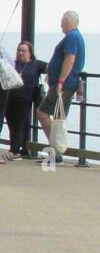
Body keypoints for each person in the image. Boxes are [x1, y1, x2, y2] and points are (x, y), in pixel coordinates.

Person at [36, 10, 86, 151]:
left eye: (62, 21)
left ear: (67, 21)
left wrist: (60, 81)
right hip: (67, 83)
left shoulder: (71, 36)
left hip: (64, 85)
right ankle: (57, 148)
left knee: (42, 113)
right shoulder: (76, 36)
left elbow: (70, 59)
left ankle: (57, 148)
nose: (60, 24)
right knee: (58, 117)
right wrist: (51, 72)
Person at [5, 41, 46, 159]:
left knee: (18, 124)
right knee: (11, 124)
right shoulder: (13, 63)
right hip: (10, 97)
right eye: (19, 50)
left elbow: (51, 68)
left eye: (24, 51)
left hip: (25, 98)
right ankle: (18, 149)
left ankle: (15, 151)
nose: (21, 53)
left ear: (30, 53)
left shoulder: (36, 64)